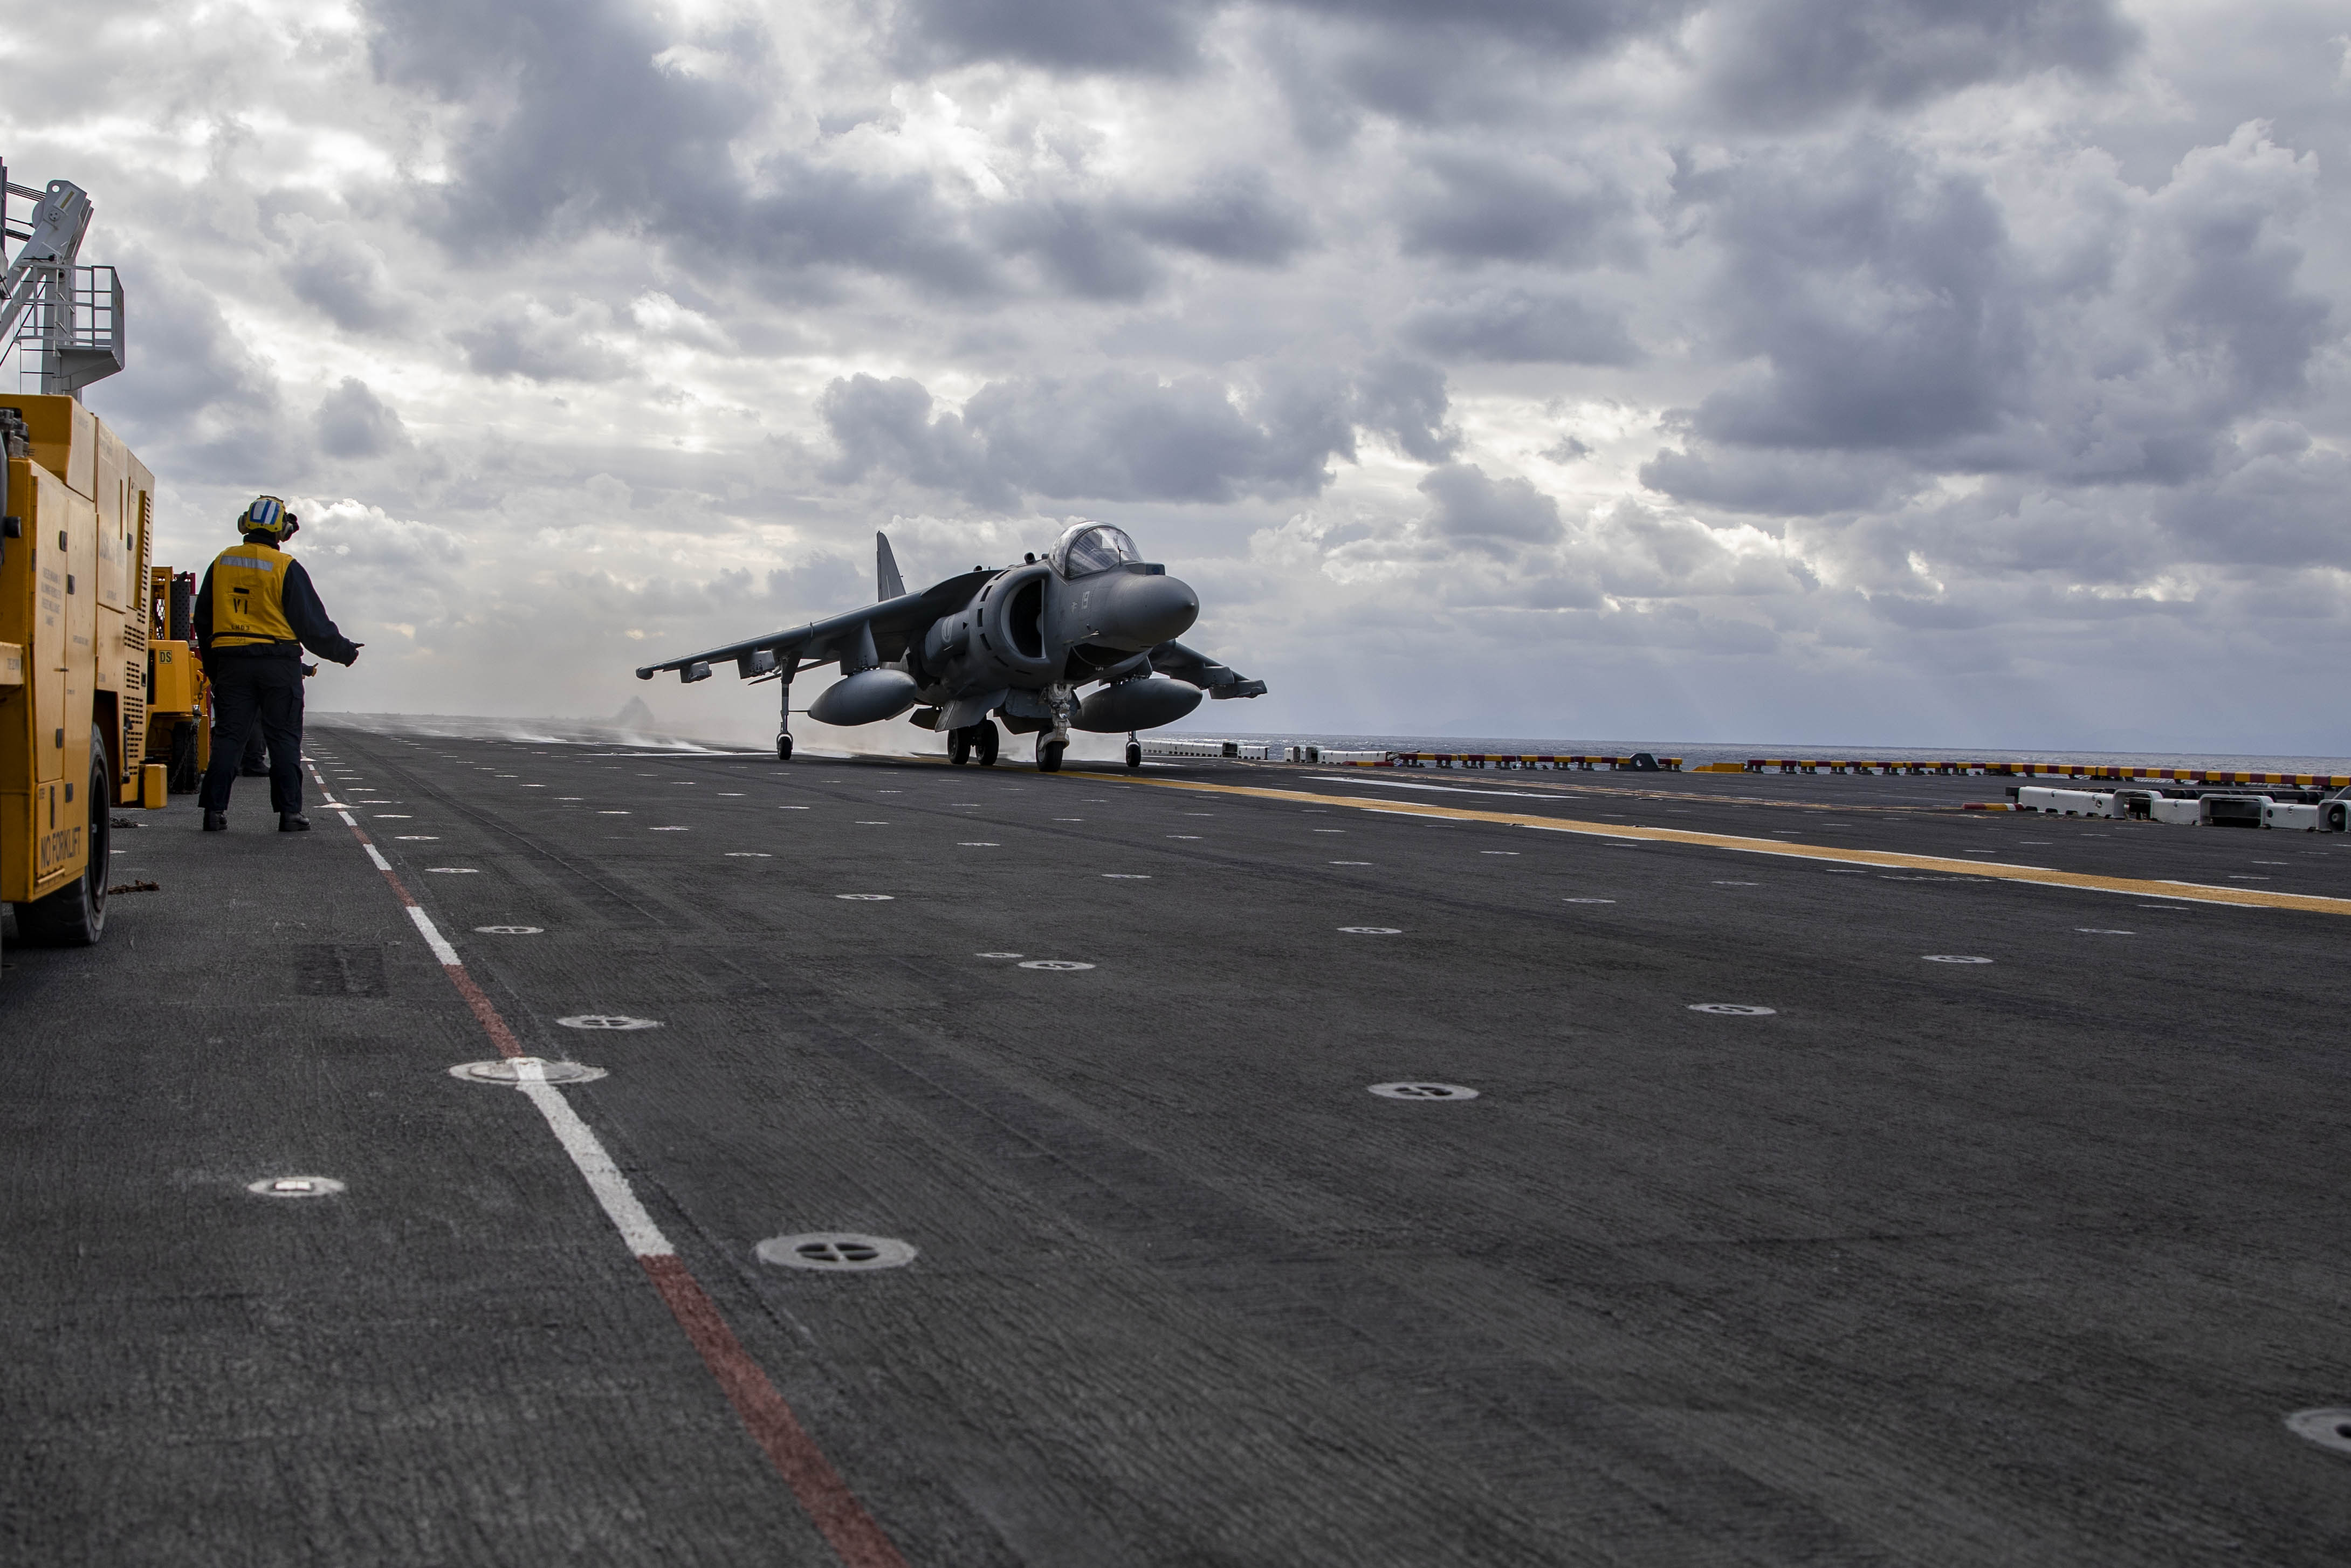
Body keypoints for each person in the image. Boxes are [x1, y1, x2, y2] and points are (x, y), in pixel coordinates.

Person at [194, 498, 361, 831]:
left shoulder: (221, 563)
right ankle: (289, 814)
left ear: (245, 524)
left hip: (231, 663)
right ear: (282, 531)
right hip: (278, 664)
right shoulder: (286, 566)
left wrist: (215, 669)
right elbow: (310, 624)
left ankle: (213, 813)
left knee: (228, 738)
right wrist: (343, 651)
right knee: (284, 739)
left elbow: (203, 620)